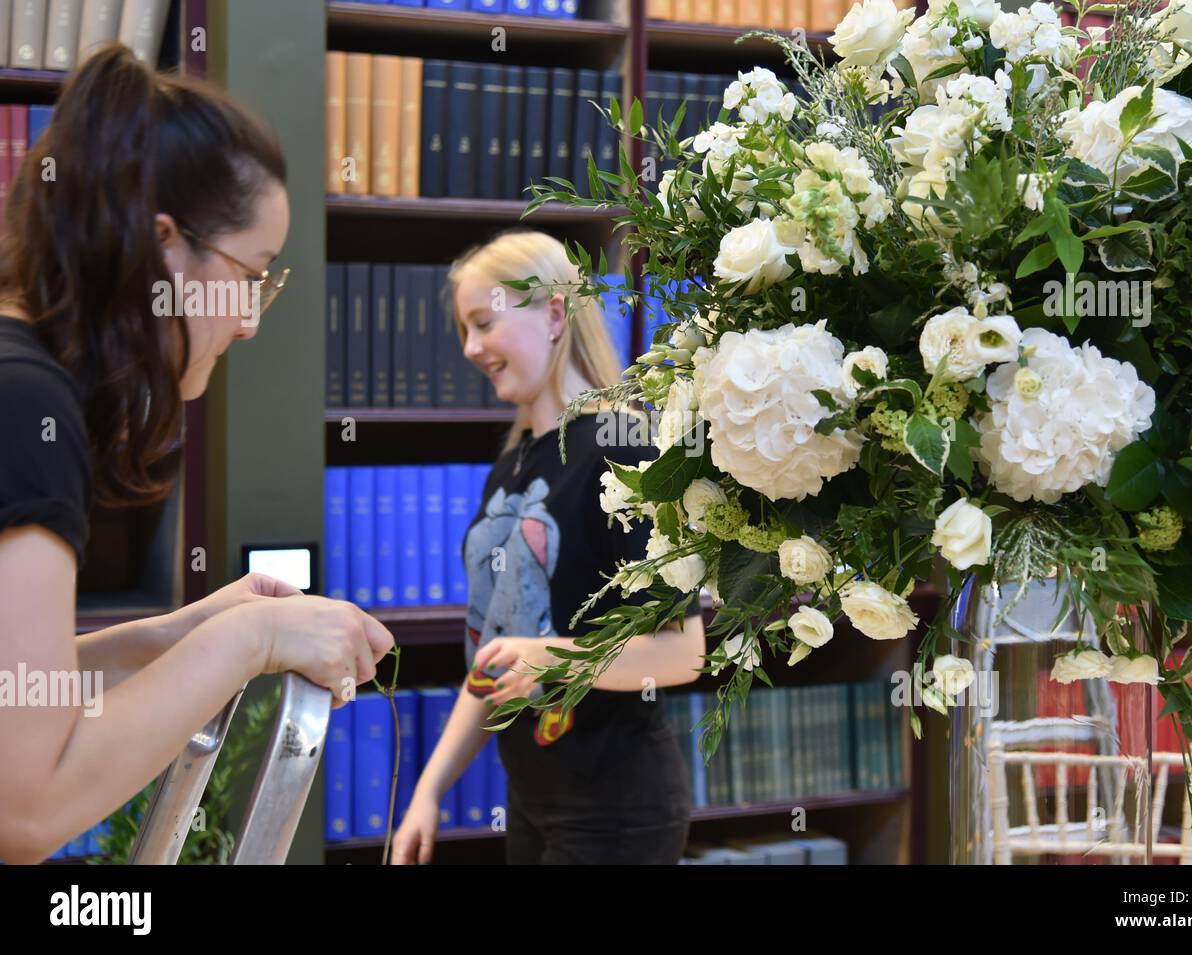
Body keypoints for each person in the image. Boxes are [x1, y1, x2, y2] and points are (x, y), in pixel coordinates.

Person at [0, 45, 392, 865]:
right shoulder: (27, 405)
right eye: (252, 275)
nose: (250, 319)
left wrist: (176, 635)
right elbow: (26, 806)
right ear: (168, 249)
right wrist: (252, 641)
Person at [393, 229, 706, 865]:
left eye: (484, 322)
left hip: (617, 811)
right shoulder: (508, 469)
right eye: (464, 330)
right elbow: (493, 656)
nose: (472, 348)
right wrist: (428, 791)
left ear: (555, 313)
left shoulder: (625, 450)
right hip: (536, 802)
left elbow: (684, 653)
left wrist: (554, 658)